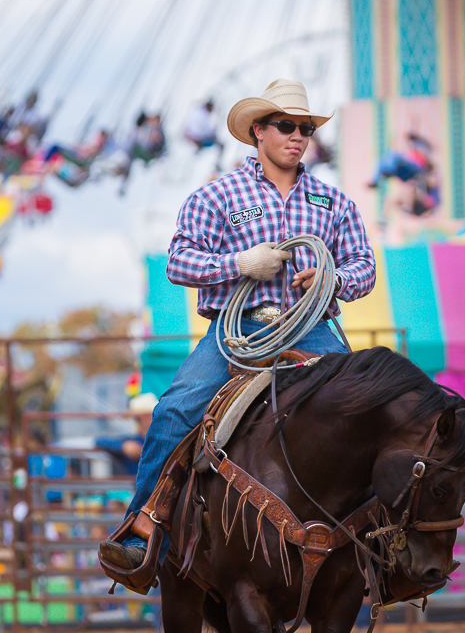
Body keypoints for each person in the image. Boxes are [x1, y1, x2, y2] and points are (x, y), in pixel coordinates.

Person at [96, 79, 376, 578]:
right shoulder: (217, 196)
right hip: (236, 329)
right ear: (257, 132)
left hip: (311, 325)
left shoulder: (335, 203)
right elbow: (180, 262)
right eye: (287, 126)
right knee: (176, 409)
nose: (298, 136)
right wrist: (240, 263)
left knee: (373, 408)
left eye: (305, 128)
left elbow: (365, 268)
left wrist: (333, 277)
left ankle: (383, 548)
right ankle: (143, 533)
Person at [95, 393, 157, 477]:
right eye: (147, 415)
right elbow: (99, 441)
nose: (151, 417)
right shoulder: (132, 441)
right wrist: (124, 446)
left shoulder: (160, 440)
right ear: (138, 418)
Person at [367, 133, 432, 189]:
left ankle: (389, 170)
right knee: (380, 162)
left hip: (415, 169)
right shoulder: (412, 151)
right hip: (404, 171)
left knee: (392, 155)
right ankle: (375, 181)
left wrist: (416, 138)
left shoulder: (423, 157)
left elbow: (426, 146)